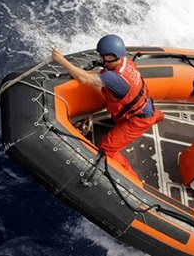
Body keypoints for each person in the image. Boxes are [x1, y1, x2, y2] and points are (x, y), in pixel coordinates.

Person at [51, 35, 164, 179]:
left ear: (110, 57)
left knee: (107, 149)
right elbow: (100, 73)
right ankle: (157, 116)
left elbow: (86, 79)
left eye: (102, 55)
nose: (100, 57)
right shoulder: (125, 62)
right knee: (124, 114)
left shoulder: (115, 78)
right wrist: (79, 71)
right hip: (141, 107)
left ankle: (132, 179)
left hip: (138, 120)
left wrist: (61, 60)